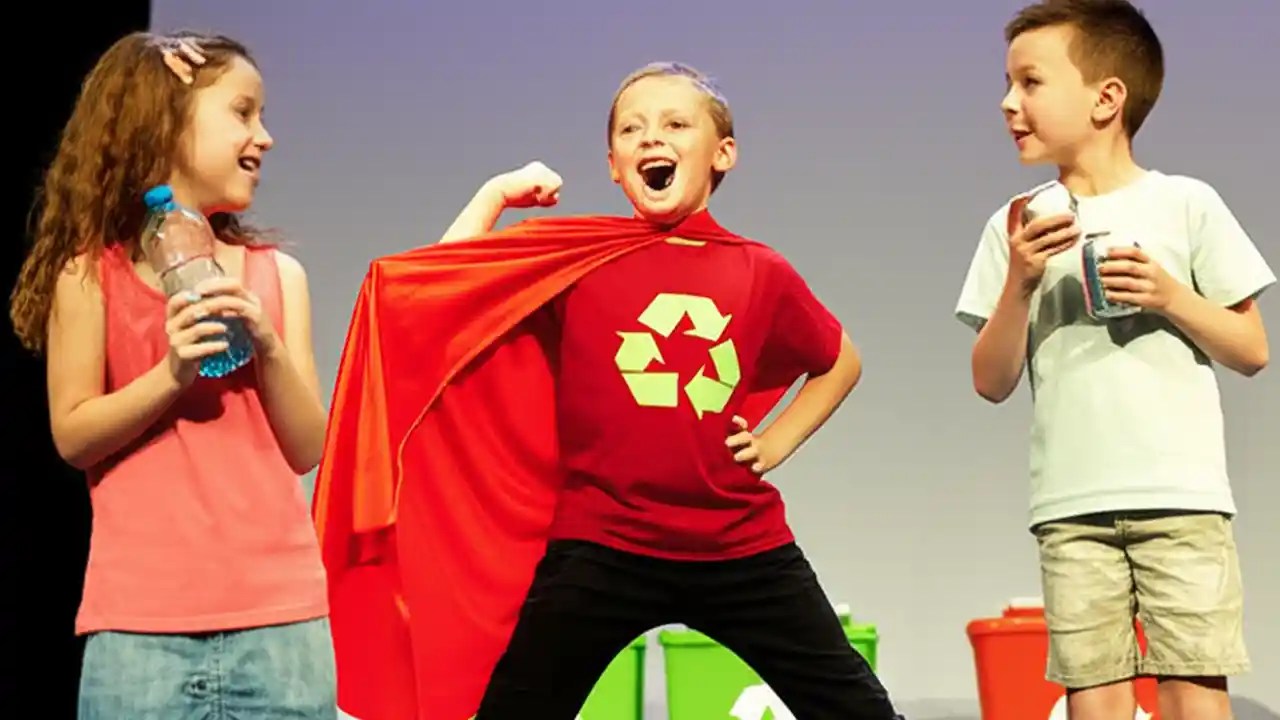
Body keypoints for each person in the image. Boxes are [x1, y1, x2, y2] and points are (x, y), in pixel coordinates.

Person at [313, 63, 903, 719]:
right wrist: (496, 195)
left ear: (723, 154)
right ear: (615, 165)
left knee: (856, 711)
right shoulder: (576, 259)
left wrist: (773, 442)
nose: (651, 138)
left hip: (739, 545)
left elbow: (839, 360)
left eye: (676, 123)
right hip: (602, 545)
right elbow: (436, 290)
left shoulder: (761, 270)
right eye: (632, 128)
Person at [954, 2, 1272, 719]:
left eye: (1030, 82)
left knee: (1194, 684)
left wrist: (1169, 295)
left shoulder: (1186, 203)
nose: (1010, 103)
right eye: (1009, 84)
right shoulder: (1016, 222)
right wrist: (1021, 282)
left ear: (1106, 99)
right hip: (1073, 504)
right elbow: (990, 380)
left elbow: (1251, 349)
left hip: (1182, 497)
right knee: (1092, 695)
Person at [9, 31, 336, 719]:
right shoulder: (87, 275)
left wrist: (269, 346)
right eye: (243, 112)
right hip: (140, 633)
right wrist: (171, 373)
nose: (266, 136)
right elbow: (73, 435)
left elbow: (308, 446)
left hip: (280, 624)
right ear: (169, 123)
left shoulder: (280, 277)